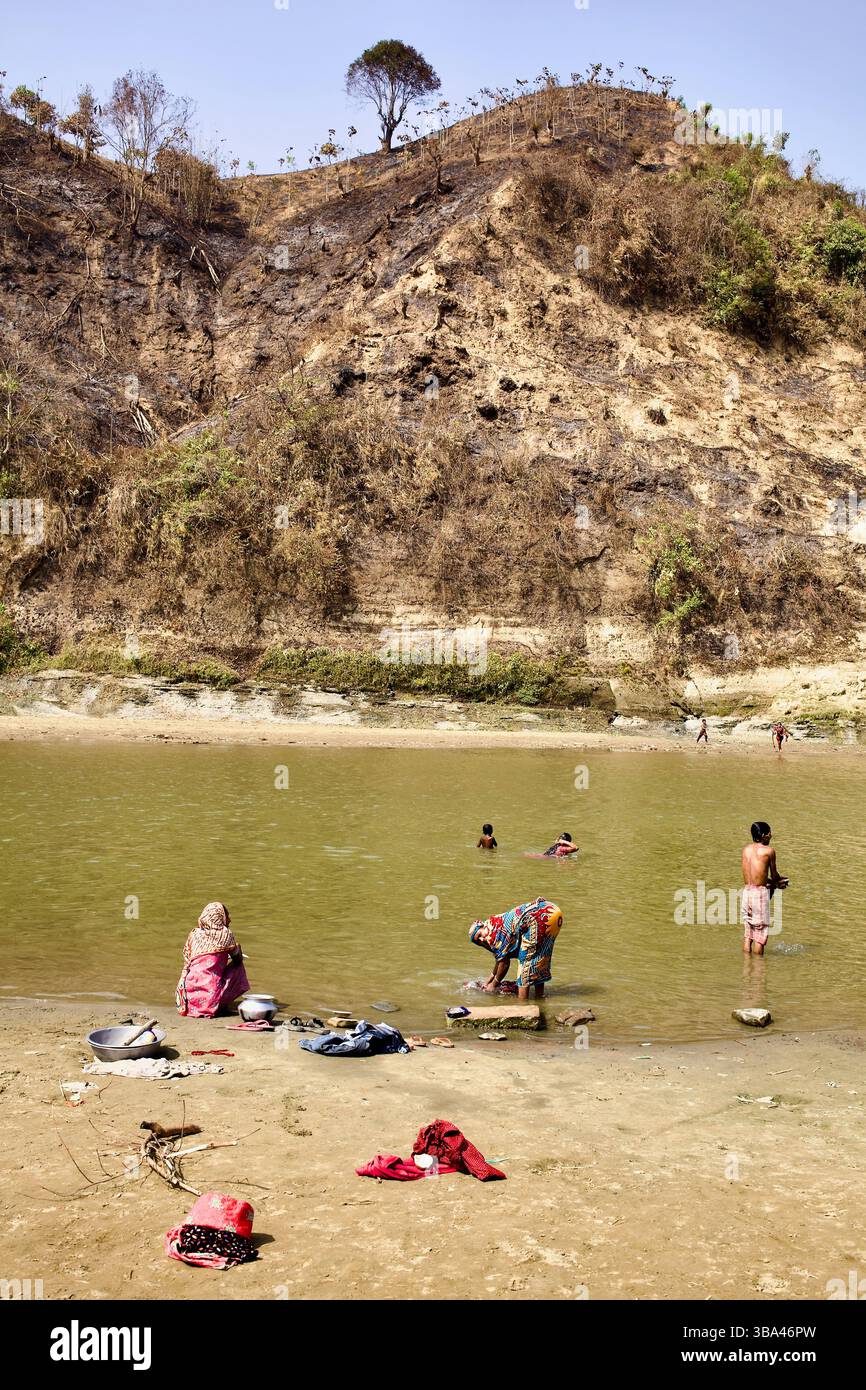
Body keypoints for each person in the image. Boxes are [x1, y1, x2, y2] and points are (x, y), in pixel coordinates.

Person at [469, 898, 563, 1001]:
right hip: (552, 911)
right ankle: (539, 999)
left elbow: (504, 963)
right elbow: (499, 960)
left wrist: (494, 985)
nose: (481, 939)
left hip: (538, 918)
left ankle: (523, 1005)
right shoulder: (493, 924)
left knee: (525, 965)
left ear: (482, 926)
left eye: (479, 935)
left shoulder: (492, 934)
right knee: (538, 960)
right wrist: (487, 982)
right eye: (478, 941)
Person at [176, 901, 250, 1017]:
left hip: (189, 997)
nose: (229, 920)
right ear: (218, 917)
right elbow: (237, 959)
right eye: (227, 916)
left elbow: (187, 960)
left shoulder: (194, 934)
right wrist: (237, 948)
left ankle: (198, 1005)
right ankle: (218, 1004)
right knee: (238, 967)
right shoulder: (225, 934)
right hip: (210, 1000)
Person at [741, 822, 788, 956]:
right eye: (769, 833)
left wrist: (770, 882)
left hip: (746, 892)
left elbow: (752, 875)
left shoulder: (746, 850)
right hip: (759, 895)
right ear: (763, 836)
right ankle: (758, 968)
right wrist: (780, 882)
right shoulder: (769, 851)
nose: (771, 836)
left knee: (748, 934)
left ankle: (746, 965)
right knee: (760, 937)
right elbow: (774, 876)